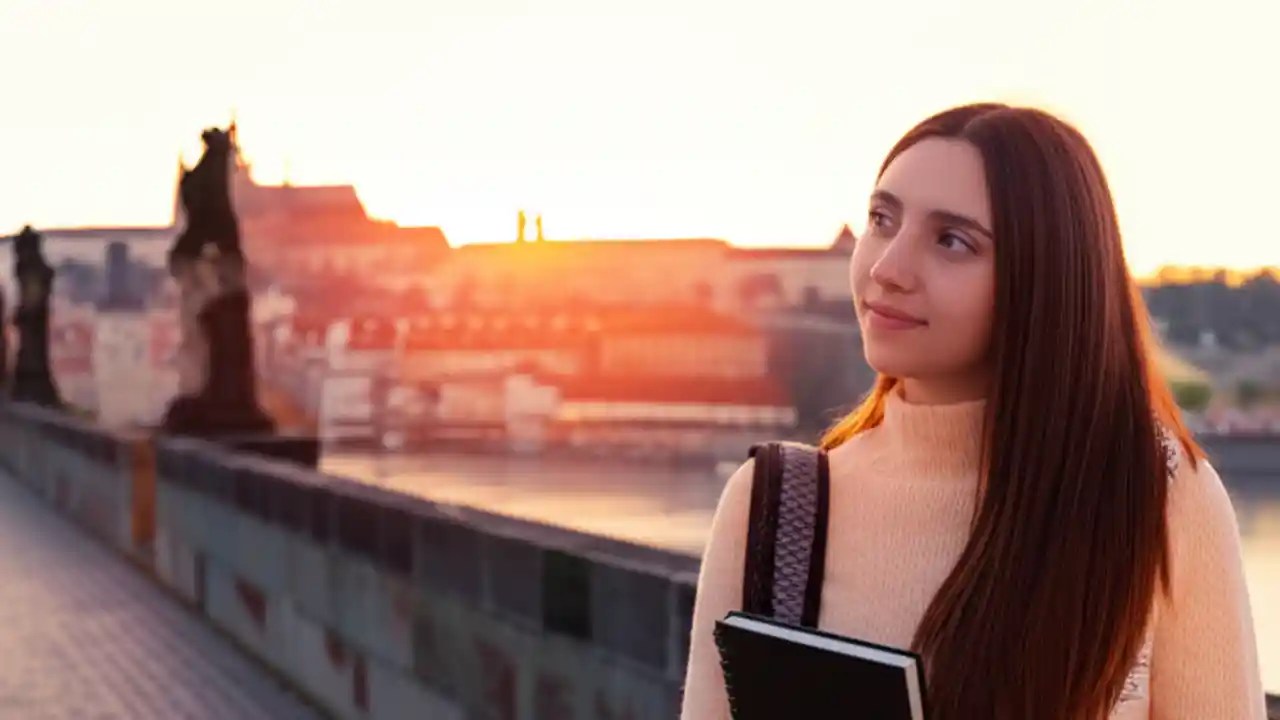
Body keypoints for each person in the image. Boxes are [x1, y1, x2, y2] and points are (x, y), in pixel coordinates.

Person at [679, 104, 1267, 719]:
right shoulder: (774, 509)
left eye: (952, 241)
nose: (886, 268)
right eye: (883, 219)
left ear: (1045, 278)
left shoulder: (1159, 497)